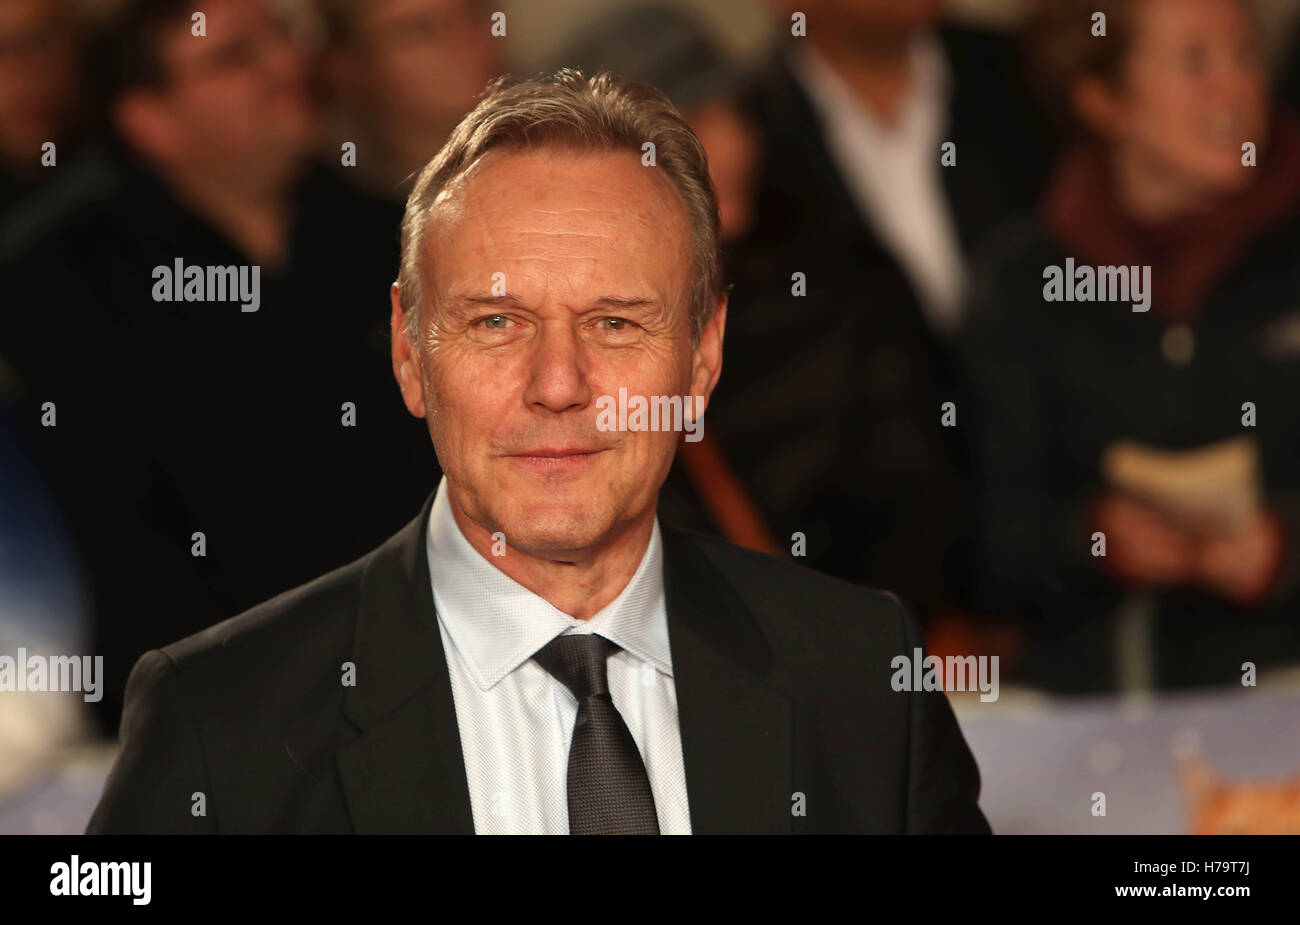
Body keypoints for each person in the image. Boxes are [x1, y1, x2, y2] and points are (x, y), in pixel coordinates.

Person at [86, 68, 990, 834]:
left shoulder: (865, 679)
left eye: (615, 321)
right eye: (496, 321)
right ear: (410, 354)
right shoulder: (221, 719)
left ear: (703, 354)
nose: (558, 382)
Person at [0, 0, 435, 735]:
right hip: (227, 723)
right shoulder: (72, 291)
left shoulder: (389, 236)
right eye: (236, 58)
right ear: (150, 121)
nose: (284, 66)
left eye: (279, 37)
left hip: (430, 679)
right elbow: (127, 556)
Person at [960, 0, 1300, 693]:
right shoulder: (1026, 283)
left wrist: (1281, 550)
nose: (1235, 88)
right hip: (1100, 706)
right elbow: (980, 541)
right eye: (1195, 62)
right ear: (1103, 99)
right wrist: (1094, 540)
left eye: (1245, 55)